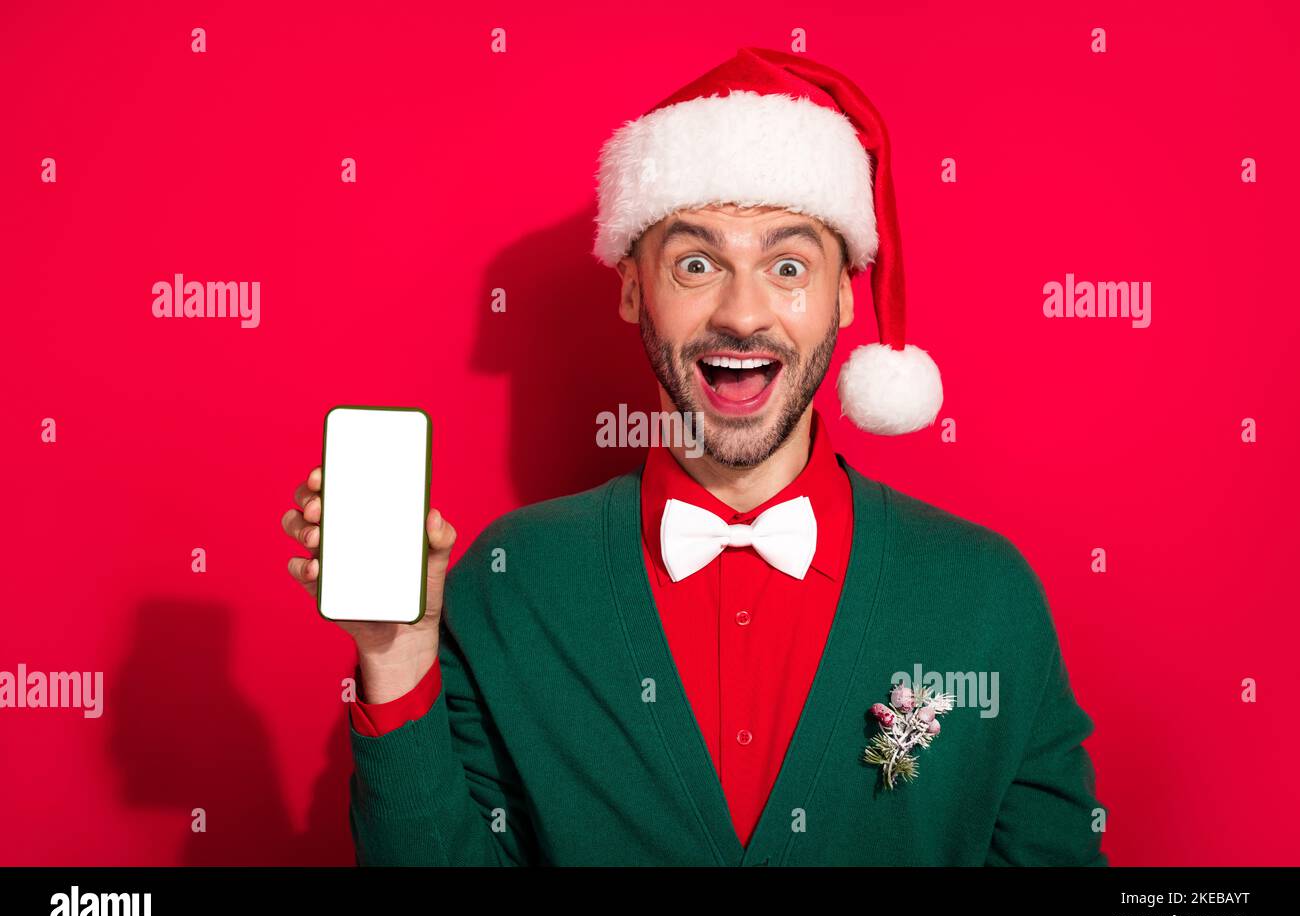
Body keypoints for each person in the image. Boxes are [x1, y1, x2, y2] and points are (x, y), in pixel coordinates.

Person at [282, 47, 1106, 866]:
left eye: (788, 266)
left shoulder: (986, 594)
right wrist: (397, 656)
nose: (743, 315)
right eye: (697, 264)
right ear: (635, 287)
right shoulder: (511, 580)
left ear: (845, 294)